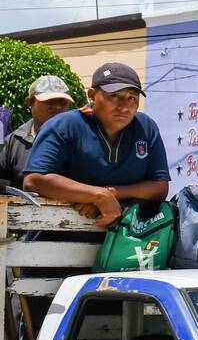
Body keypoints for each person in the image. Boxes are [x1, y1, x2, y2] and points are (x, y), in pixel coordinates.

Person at [22, 62, 170, 227]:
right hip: (60, 234)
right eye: (114, 96)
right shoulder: (64, 125)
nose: (124, 106)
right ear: (92, 94)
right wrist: (96, 195)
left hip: (128, 237)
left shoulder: (146, 127)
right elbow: (34, 180)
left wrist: (111, 194)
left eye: (132, 98)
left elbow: (160, 187)